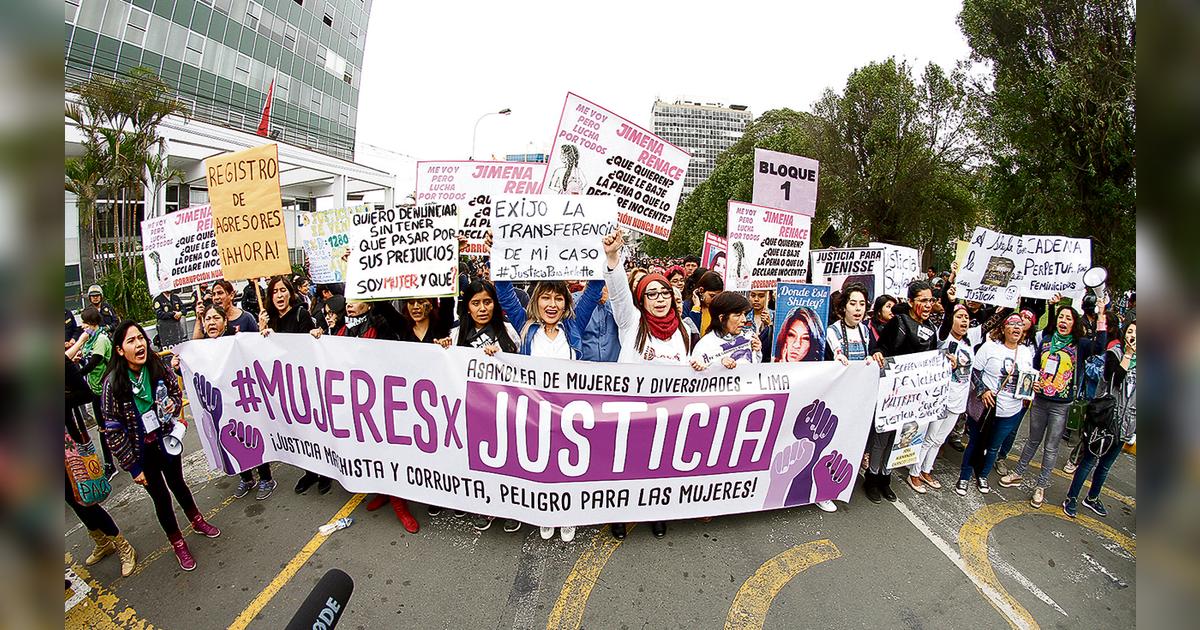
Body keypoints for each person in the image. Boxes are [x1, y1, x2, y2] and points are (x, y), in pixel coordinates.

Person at [494, 252, 604, 543]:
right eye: (546, 297)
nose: (552, 304)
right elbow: (504, 291)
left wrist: (602, 254)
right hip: (535, 412)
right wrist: (499, 250)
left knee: (569, 465)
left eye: (558, 298)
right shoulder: (525, 325)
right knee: (542, 464)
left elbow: (594, 290)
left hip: (570, 413)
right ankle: (546, 512)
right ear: (536, 301)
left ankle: (567, 514)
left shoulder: (573, 327)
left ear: (566, 303)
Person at [102, 321, 220, 571]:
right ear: (120, 350)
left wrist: (172, 406)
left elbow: (176, 393)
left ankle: (198, 521)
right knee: (161, 498)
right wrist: (133, 467)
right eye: (131, 341)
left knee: (178, 483)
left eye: (141, 338)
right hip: (141, 452)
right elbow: (112, 432)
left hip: (166, 441)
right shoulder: (112, 384)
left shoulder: (156, 365)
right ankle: (178, 543)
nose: (139, 344)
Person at [603, 228, 697, 539]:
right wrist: (613, 256)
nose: (659, 299)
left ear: (674, 296)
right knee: (624, 466)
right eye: (651, 294)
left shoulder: (683, 332)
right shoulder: (632, 323)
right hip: (630, 414)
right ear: (641, 299)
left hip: (666, 417)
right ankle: (618, 515)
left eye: (664, 292)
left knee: (658, 466)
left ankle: (655, 512)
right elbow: (617, 291)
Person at [1000, 293, 1108, 508]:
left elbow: (1101, 346)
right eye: (1061, 317)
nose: (1063, 321)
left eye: (1068, 318)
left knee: (1050, 447)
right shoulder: (1047, 340)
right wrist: (1034, 384)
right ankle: (1018, 472)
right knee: (1032, 440)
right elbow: (1036, 368)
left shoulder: (1081, 345)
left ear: (1074, 323)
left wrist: (1102, 315)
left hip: (1061, 405)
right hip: (1040, 400)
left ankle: (1041, 486)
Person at [435, 280, 523, 533]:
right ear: (468, 307)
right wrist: (443, 351)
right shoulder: (455, 334)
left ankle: (510, 506)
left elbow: (523, 367)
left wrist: (503, 355)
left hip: (505, 411)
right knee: (479, 462)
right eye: (476, 303)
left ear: (495, 304)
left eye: (487, 302)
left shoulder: (508, 331)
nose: (482, 308)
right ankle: (484, 505)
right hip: (471, 412)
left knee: (507, 461)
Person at [257, 277, 330, 496]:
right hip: (282, 384)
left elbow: (309, 345)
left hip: (304, 381)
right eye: (274, 292)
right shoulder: (269, 320)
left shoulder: (301, 314)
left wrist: (316, 334)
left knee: (313, 428)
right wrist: (262, 330)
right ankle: (310, 471)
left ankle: (325, 472)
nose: (279, 295)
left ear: (290, 293)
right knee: (297, 429)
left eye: (283, 290)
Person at [869, 280, 941, 503]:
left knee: (900, 438)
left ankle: (885, 478)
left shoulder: (931, 329)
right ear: (911, 302)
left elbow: (933, 357)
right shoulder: (898, 322)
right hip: (892, 393)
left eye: (931, 300)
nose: (928, 305)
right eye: (923, 300)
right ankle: (871, 479)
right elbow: (880, 347)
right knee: (882, 437)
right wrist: (878, 353)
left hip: (914, 397)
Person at [66, 356, 136, 577]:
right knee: (69, 499)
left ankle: (122, 545)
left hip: (68, 446)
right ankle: (102, 542)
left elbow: (84, 394)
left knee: (86, 499)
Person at [954, 314, 1034, 495]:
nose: (1016, 328)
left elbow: (1028, 377)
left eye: (1019, 325)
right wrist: (983, 391)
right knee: (975, 443)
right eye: (1011, 324)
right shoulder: (990, 347)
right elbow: (974, 371)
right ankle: (965, 476)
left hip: (1011, 410)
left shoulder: (1026, 352)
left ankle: (982, 475)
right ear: (1003, 328)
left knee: (993, 447)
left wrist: (1032, 387)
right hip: (986, 408)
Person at [1063, 322, 1135, 518]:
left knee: (1105, 466)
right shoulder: (1115, 354)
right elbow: (1114, 379)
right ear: (1123, 333)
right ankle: (1071, 497)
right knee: (1089, 461)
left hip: (1126, 424)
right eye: (1130, 331)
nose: (1133, 336)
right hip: (1104, 421)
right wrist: (1128, 355)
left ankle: (1092, 498)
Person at [819, 283, 880, 512]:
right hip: (837, 399)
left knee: (849, 443)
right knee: (831, 442)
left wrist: (875, 356)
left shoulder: (866, 331)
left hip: (859, 400)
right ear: (843, 307)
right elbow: (835, 352)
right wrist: (839, 358)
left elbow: (873, 353)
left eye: (862, 304)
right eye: (852, 303)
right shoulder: (832, 331)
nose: (858, 309)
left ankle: (840, 483)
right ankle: (823, 491)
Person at [907, 304, 975, 493]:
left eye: (967, 318)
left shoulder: (969, 343)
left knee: (939, 439)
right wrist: (950, 297)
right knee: (929, 437)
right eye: (959, 316)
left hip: (958, 401)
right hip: (940, 398)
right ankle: (914, 472)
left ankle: (926, 470)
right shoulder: (944, 338)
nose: (964, 321)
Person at [66, 307, 117, 478]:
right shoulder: (90, 341)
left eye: (85, 323)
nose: (83, 326)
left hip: (106, 390)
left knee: (109, 426)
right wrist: (78, 360)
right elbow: (87, 359)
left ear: (93, 324)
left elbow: (95, 362)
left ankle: (111, 463)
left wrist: (73, 374)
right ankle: (110, 462)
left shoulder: (101, 339)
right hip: (95, 389)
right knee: (102, 428)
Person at [691, 292, 763, 369]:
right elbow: (697, 375)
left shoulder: (748, 337)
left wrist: (757, 352)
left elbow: (755, 370)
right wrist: (719, 364)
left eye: (744, 314)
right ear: (722, 318)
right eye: (738, 315)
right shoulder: (705, 345)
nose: (744, 320)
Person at [575, 284, 621, 363]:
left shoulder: (618, 303)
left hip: (613, 367)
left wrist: (608, 302)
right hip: (583, 367)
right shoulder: (575, 300)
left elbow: (623, 321)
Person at [685, 271, 724, 335]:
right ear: (701, 290)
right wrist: (696, 308)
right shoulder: (687, 306)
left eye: (718, 296)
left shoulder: (720, 308)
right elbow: (691, 331)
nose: (714, 300)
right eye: (712, 296)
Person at [748, 289, 774, 361]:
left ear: (769, 297)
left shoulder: (776, 317)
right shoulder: (744, 316)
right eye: (753, 295)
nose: (756, 299)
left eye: (761, 296)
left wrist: (769, 325)